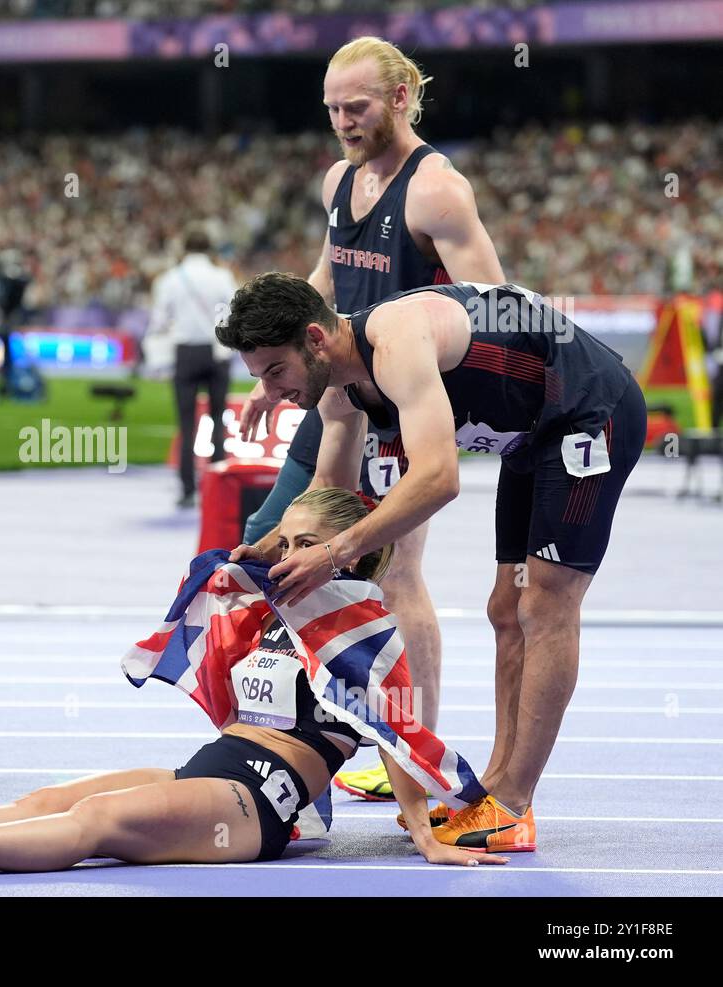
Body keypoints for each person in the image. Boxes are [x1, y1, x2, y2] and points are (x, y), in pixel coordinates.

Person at [0, 487, 505, 874]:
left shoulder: (363, 628)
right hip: (214, 767)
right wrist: (262, 553)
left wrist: (422, 829)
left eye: (299, 543)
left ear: (342, 552)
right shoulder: (277, 608)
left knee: (97, 822)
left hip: (256, 800)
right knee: (50, 795)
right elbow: (210, 577)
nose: (281, 553)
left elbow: (392, 728)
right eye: (280, 540)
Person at [216, 273, 647, 853]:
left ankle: (514, 805)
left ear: (315, 340)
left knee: (545, 604)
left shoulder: (396, 344)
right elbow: (330, 490)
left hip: (590, 411)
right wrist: (273, 546)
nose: (273, 390)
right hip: (530, 437)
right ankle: (495, 788)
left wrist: (337, 552)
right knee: (505, 608)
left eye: (275, 373)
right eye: (259, 377)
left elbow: (439, 479)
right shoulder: (339, 388)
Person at [237, 36, 506, 801]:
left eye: (356, 107)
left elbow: (497, 310)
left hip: (405, 401)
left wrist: (437, 409)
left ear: (400, 97)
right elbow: (324, 281)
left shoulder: (436, 192)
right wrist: (275, 368)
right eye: (331, 110)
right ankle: (304, 728)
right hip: (336, 393)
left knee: (399, 575)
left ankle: (414, 752)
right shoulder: (338, 181)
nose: (343, 123)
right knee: (274, 536)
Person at [148, 223, 239, 508]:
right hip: (216, 350)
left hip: (186, 352)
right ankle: (218, 487)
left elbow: (160, 320)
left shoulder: (171, 279)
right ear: (208, 248)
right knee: (217, 420)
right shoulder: (221, 276)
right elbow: (235, 310)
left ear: (184, 248)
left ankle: (188, 489)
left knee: (186, 424)